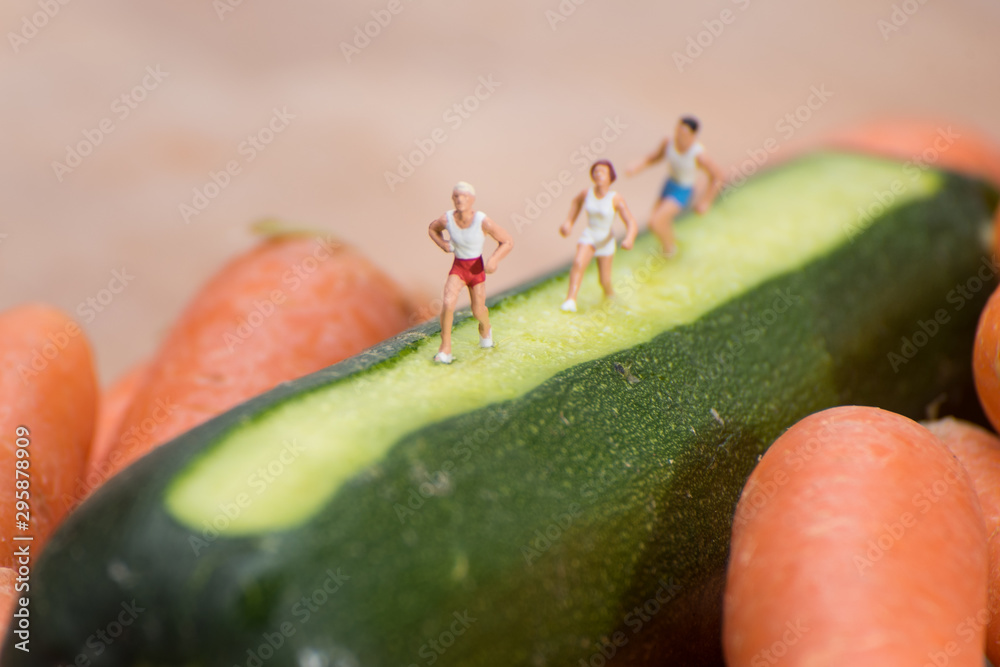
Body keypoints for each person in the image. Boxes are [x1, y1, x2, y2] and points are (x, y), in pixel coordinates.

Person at [427, 181, 513, 364]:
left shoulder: (482, 221)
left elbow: (507, 241)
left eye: (464, 196)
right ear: (452, 199)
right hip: (458, 268)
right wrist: (443, 244)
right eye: (456, 196)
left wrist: (493, 260)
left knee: (478, 311)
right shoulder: (447, 219)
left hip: (476, 269)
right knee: (448, 303)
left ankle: (486, 327)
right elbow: (432, 229)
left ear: (472, 199)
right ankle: (446, 348)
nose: (460, 200)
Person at [626, 116, 724, 256]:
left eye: (683, 134)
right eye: (677, 131)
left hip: (683, 190)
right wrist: (638, 165)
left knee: (656, 222)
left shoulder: (698, 155)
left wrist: (706, 201)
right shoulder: (668, 142)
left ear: (692, 136)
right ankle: (672, 242)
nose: (679, 136)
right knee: (654, 222)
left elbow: (717, 176)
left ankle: (670, 252)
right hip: (669, 184)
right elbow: (654, 157)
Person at [558, 160, 638, 313]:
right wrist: (569, 222)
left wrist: (629, 238)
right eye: (596, 171)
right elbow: (576, 203)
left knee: (604, 280)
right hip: (589, 235)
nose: (598, 174)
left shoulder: (615, 198)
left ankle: (610, 296)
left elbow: (630, 221)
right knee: (578, 263)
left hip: (606, 239)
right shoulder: (586, 193)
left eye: (602, 172)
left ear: (610, 177)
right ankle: (570, 299)